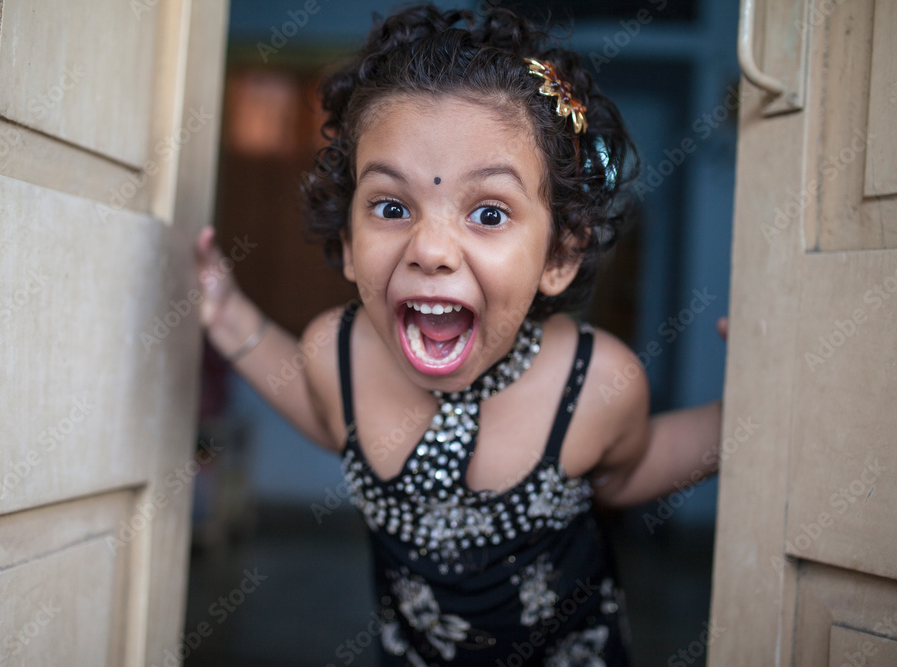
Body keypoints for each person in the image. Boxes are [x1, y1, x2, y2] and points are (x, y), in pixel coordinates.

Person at [195, 4, 723, 664]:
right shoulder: (338, 355)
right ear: (350, 245)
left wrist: (747, 414)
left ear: (558, 255)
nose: (433, 248)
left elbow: (626, 471)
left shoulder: (594, 382)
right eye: (391, 206)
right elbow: (329, 416)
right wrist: (225, 314)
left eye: (489, 212)